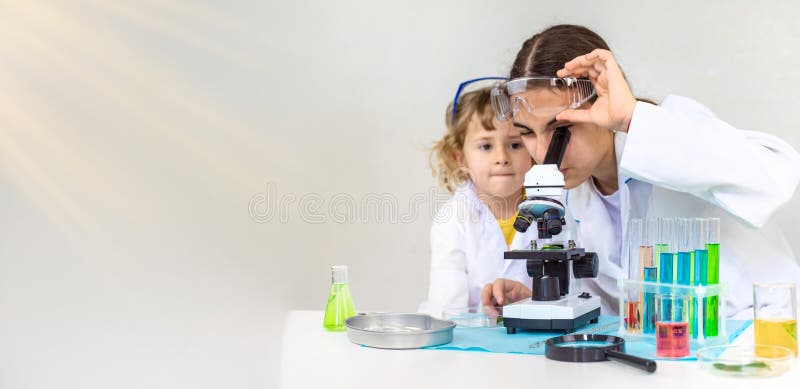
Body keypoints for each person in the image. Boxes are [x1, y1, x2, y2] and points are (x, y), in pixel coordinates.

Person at [480, 24, 800, 318]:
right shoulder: (562, 195)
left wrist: (631, 117)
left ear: (602, 105)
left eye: (562, 128)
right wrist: (540, 300)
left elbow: (776, 177)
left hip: (757, 336)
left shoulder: (670, 130)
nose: (543, 152)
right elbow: (620, 305)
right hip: (670, 354)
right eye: (526, 133)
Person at [418, 85, 535, 318]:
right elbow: (446, 310)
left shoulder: (554, 210)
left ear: (533, 149)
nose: (501, 158)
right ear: (459, 157)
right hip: (471, 341)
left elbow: (569, 294)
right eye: (486, 146)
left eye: (514, 145)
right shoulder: (452, 220)